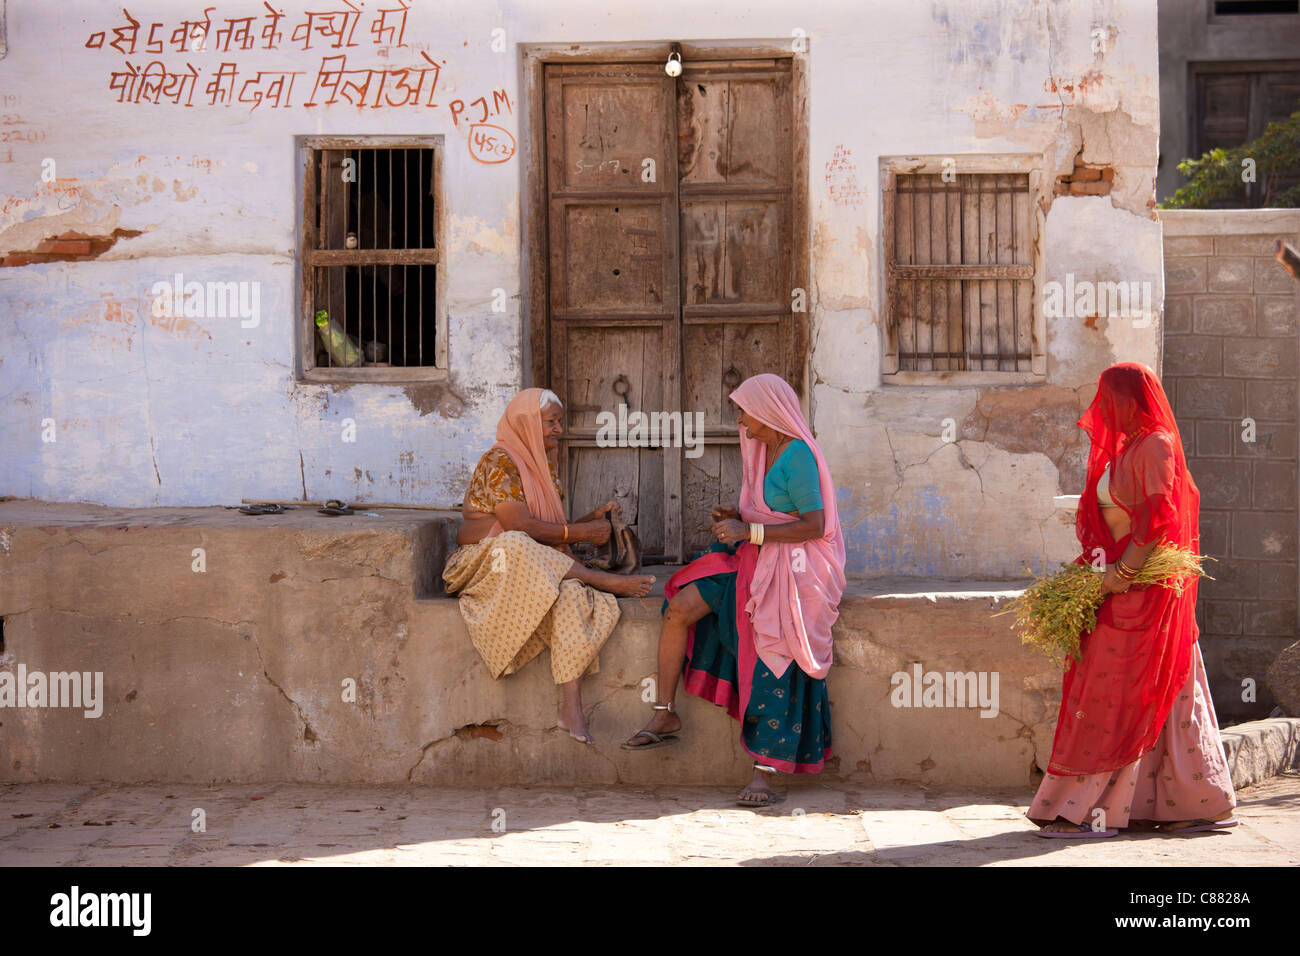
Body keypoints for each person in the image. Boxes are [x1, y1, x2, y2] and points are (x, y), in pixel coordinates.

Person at [1030, 362, 1237, 837]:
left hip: (1142, 596)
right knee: (1133, 692)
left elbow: (1156, 522)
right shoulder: (1128, 449)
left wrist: (1120, 577)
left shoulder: (1157, 446)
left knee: (1121, 695)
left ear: (1130, 401)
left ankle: (1086, 808)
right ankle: (1172, 804)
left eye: (1108, 399)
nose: (1099, 409)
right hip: (1116, 588)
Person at [622, 373, 846, 807]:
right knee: (679, 607)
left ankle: (764, 774)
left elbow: (814, 526)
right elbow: (769, 513)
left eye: (744, 410)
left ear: (767, 412)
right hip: (755, 562)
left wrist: (751, 529)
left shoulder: (797, 455)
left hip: (793, 573)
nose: (740, 420)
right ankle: (664, 713)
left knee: (773, 653)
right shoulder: (767, 451)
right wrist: (738, 517)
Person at [442, 388, 655, 745]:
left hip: (533, 560)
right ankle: (599, 579)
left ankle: (571, 707)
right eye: (551, 422)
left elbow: (547, 531)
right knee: (516, 543)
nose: (559, 429)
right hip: (487, 562)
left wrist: (591, 521)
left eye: (559, 421)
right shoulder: (500, 462)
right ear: (527, 423)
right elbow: (520, 527)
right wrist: (581, 531)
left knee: (571, 593)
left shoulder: (543, 464)